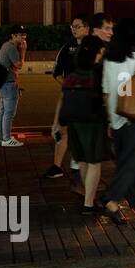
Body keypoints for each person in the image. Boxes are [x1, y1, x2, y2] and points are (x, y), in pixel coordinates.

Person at [99, 19, 135, 225]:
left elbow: (106, 92)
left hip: (117, 119)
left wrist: (110, 121)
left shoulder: (108, 59)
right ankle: (111, 199)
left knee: (134, 163)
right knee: (131, 163)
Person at [60, 35, 110, 215]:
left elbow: (64, 97)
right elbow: (105, 98)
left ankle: (89, 199)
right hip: (93, 122)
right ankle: (89, 203)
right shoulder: (98, 72)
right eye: (101, 51)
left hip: (74, 122)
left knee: (82, 160)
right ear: (97, 53)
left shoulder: (74, 72)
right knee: (94, 162)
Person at [46, 16, 89, 180]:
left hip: (87, 97)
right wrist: (67, 85)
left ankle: (79, 170)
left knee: (82, 133)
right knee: (62, 130)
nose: (74, 29)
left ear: (86, 28)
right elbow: (56, 73)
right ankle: (56, 166)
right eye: (72, 27)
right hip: (69, 96)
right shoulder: (67, 48)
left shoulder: (94, 46)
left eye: (77, 26)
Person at [0, 25, 27, 147]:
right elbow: (18, 65)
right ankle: (7, 139)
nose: (23, 37)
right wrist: (23, 51)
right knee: (9, 112)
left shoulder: (5, 45)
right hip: (8, 83)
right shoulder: (12, 48)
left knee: (3, 111)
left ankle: (0, 138)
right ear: (13, 36)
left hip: (3, 83)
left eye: (24, 35)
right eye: (20, 35)